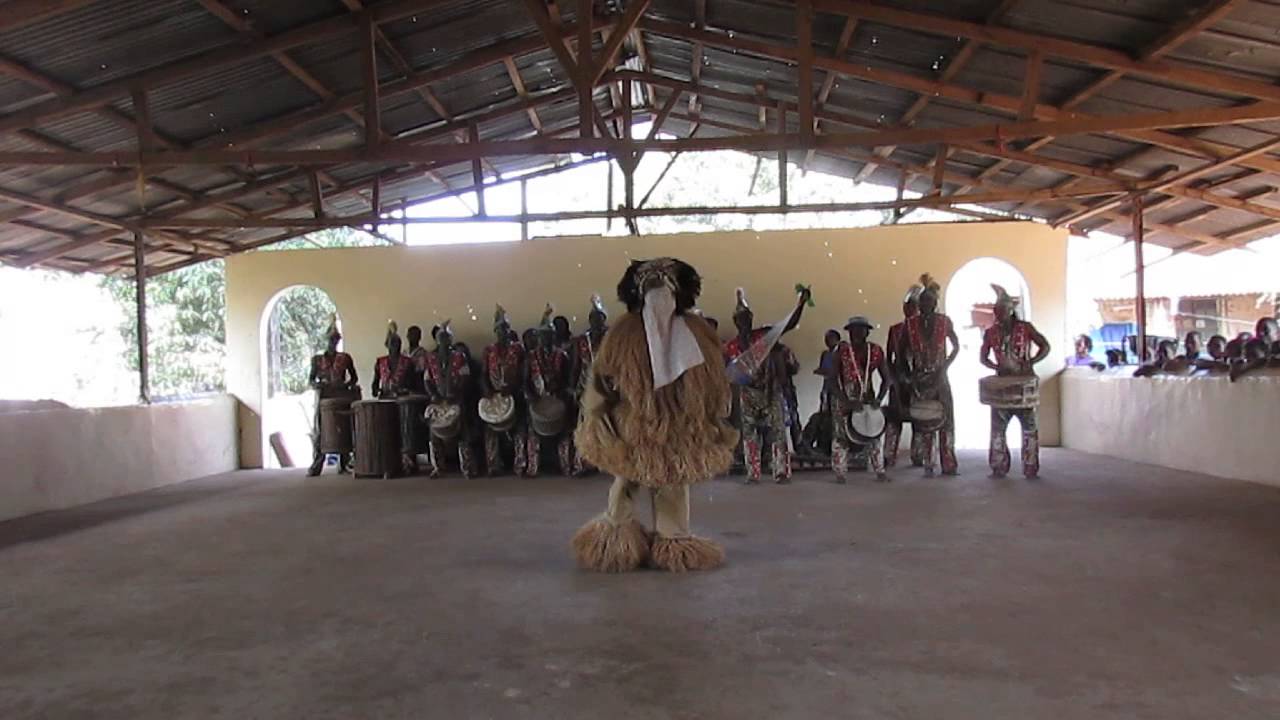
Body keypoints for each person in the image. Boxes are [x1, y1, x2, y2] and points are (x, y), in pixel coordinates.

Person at [571, 257, 738, 572]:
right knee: (626, 480)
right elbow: (602, 378)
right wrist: (601, 412)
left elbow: (711, 379)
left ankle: (673, 541)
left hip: (678, 426)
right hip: (632, 426)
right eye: (651, 290)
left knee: (673, 482)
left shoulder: (696, 332)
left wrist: (708, 411)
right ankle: (616, 538)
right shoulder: (624, 334)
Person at [723, 287, 809, 484]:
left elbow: (789, 324)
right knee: (750, 433)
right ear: (736, 322)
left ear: (751, 319)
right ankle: (753, 473)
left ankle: (781, 471)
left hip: (771, 389)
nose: (744, 322)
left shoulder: (763, 336)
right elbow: (729, 373)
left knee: (778, 430)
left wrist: (801, 304)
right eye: (741, 319)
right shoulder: (731, 347)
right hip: (748, 393)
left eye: (747, 318)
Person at [979, 284, 1051, 479]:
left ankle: (1030, 466)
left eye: (1001, 311)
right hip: (1002, 386)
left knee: (1029, 428)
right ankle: (998, 466)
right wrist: (995, 367)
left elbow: (1045, 346)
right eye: (996, 311)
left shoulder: (1025, 328)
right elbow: (983, 357)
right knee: (998, 430)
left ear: (1010, 310)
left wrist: (1031, 362)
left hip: (1023, 385)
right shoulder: (991, 332)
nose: (998, 315)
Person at [897, 274, 960, 476]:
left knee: (946, 419)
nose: (926, 304)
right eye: (923, 301)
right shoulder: (910, 325)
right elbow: (900, 352)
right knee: (925, 420)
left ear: (935, 303)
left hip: (940, 379)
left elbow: (956, 346)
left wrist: (945, 366)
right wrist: (907, 375)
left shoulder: (944, 322)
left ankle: (948, 463)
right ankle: (928, 463)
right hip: (919, 380)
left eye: (930, 301)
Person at [831, 316, 891, 483]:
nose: (856, 333)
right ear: (848, 332)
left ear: (867, 332)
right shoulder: (841, 351)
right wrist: (846, 401)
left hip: (867, 398)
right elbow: (831, 380)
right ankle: (840, 473)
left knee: (875, 434)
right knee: (840, 437)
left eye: (860, 330)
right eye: (853, 330)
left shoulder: (876, 351)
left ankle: (880, 470)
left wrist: (879, 399)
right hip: (844, 399)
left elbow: (887, 378)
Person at [423, 321, 478, 478]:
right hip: (438, 401)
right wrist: (434, 395)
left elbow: (465, 378)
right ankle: (438, 467)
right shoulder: (431, 358)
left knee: (463, 434)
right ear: (437, 340)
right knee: (434, 435)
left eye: (447, 338)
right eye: (441, 338)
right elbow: (427, 379)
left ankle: (468, 468)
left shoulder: (459, 357)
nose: (444, 341)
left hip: (457, 401)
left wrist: (457, 395)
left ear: (451, 340)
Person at [307, 315, 359, 476]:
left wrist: (347, 385)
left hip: (341, 396)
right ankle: (318, 462)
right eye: (331, 339)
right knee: (321, 430)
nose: (333, 342)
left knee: (344, 428)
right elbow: (311, 379)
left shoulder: (345, 358)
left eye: (335, 340)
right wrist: (317, 384)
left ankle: (345, 461)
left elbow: (354, 377)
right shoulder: (317, 360)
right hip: (324, 397)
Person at [524, 308, 573, 477]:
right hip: (537, 400)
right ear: (539, 337)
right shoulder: (530, 357)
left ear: (554, 336)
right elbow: (525, 381)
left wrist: (561, 394)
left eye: (549, 335)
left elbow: (568, 380)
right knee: (532, 433)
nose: (546, 338)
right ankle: (532, 467)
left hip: (556, 399)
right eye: (543, 335)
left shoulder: (562, 355)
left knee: (565, 434)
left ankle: (567, 466)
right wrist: (531, 396)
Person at [480, 305, 528, 476]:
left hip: (514, 394)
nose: (503, 332)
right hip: (494, 396)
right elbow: (484, 373)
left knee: (520, 429)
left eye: (506, 328)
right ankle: (493, 465)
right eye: (500, 329)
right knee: (490, 430)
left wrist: (514, 389)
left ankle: (520, 464)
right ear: (495, 331)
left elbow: (524, 373)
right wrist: (487, 390)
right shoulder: (489, 350)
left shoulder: (518, 349)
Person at [883, 284, 926, 468]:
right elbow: (889, 357)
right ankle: (889, 455)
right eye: (907, 306)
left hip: (920, 380)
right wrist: (893, 379)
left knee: (919, 418)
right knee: (894, 417)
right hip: (898, 380)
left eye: (913, 306)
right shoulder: (895, 329)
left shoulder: (925, 330)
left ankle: (918, 455)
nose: (909, 309)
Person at [568, 294, 609, 475]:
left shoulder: (612, 337)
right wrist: (571, 386)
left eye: (600, 319)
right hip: (586, 386)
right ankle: (584, 463)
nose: (597, 323)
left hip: (609, 386)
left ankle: (608, 464)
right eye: (594, 319)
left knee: (608, 424)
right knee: (585, 425)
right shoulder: (582, 341)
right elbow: (576, 365)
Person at [371, 321, 419, 399]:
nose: (395, 346)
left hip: (403, 400)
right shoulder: (380, 362)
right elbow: (375, 384)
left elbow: (413, 384)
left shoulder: (407, 362)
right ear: (387, 345)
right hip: (385, 400)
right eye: (392, 343)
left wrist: (403, 390)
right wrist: (376, 390)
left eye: (398, 343)